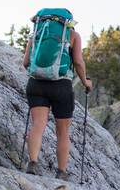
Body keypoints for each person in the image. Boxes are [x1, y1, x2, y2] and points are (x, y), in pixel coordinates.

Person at [22, 13, 92, 179]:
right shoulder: (73, 35)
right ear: (68, 23)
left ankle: (32, 162)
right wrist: (85, 82)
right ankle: (61, 172)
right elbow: (78, 62)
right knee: (63, 132)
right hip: (61, 86)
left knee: (38, 124)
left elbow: (26, 63)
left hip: (36, 84)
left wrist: (41, 74)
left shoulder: (36, 35)